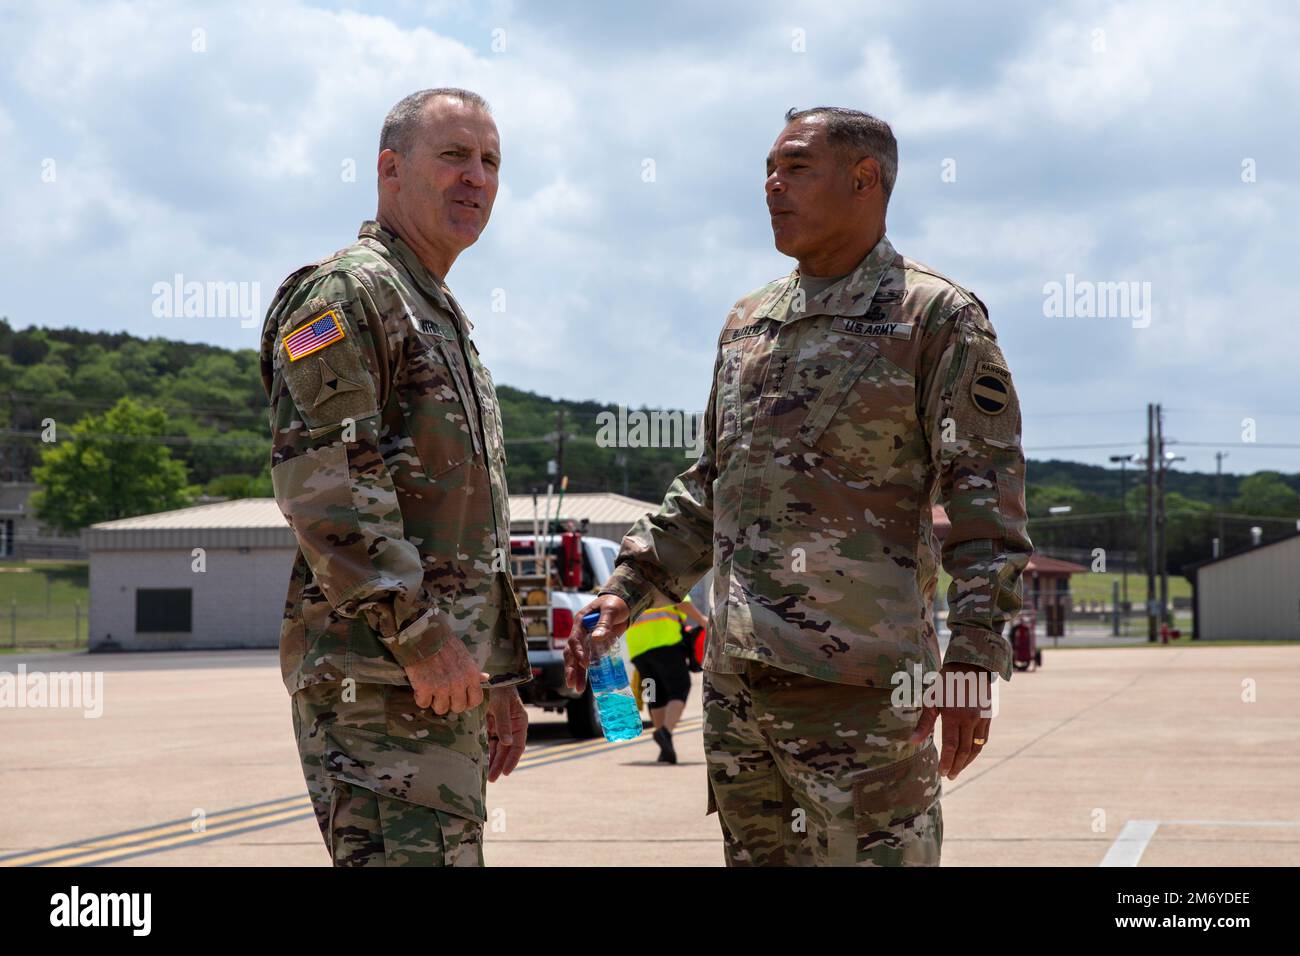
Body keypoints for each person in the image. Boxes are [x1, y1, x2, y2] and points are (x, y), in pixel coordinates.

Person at [566, 106, 1033, 866]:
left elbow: (989, 503)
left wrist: (974, 662)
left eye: (794, 168)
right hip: (740, 697)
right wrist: (629, 586)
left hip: (867, 698)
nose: (771, 186)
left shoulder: (935, 317)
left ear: (864, 179)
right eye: (768, 170)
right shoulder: (749, 323)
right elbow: (710, 486)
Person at [258, 88, 530, 867]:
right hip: (376, 683)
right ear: (389, 168)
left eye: (490, 162)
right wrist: (419, 636)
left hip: (438, 679)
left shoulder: (435, 310)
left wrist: (497, 671)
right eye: (453, 156)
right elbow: (326, 485)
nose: (475, 178)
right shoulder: (349, 295)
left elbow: (465, 519)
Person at [626, 597, 707, 763]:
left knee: (654, 694)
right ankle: (665, 732)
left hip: (638, 649)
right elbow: (681, 601)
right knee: (680, 687)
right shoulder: (664, 575)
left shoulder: (631, 582)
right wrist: (703, 620)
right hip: (665, 642)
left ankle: (665, 747)